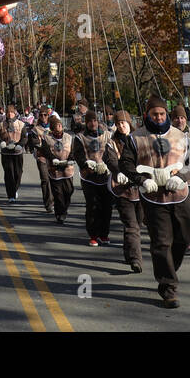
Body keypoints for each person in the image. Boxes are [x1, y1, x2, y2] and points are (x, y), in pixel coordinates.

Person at [119, 99, 190, 309]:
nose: (159, 118)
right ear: (147, 114)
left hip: (180, 193)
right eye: (154, 114)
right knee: (162, 243)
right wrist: (142, 181)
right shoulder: (135, 138)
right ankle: (168, 287)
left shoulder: (181, 135)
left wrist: (182, 177)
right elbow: (125, 163)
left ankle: (170, 268)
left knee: (184, 238)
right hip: (153, 198)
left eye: (162, 114)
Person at [105, 111, 143, 273]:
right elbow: (110, 159)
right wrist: (117, 171)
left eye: (124, 123)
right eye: (118, 123)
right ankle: (136, 259)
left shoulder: (140, 139)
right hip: (122, 189)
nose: (121, 126)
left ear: (129, 122)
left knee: (138, 223)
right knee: (131, 225)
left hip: (141, 188)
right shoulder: (112, 142)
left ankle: (129, 252)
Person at [72, 108, 113, 245]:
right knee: (93, 206)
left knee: (107, 206)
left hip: (106, 175)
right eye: (90, 121)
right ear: (86, 122)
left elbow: (113, 152)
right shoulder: (80, 137)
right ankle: (93, 235)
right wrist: (86, 164)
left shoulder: (107, 135)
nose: (93, 123)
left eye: (95, 120)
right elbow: (78, 154)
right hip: (89, 177)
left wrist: (109, 165)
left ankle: (104, 233)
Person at [171, 106, 190, 254]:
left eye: (182, 117)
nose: (180, 120)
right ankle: (181, 241)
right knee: (177, 211)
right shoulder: (168, 135)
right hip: (174, 178)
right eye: (177, 118)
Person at [41, 116, 75, 225]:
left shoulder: (69, 137)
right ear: (52, 127)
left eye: (60, 124)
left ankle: (64, 208)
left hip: (67, 169)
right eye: (57, 125)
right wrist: (52, 159)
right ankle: (60, 214)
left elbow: (73, 150)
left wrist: (71, 159)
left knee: (69, 191)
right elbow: (45, 151)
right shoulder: (47, 138)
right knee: (58, 193)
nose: (59, 126)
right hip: (54, 169)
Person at [0, 105, 27, 202]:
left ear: (15, 113)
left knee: (18, 173)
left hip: (17, 152)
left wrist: (20, 145)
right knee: (9, 173)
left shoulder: (21, 124)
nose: (10, 114)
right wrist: (0, 142)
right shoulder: (1, 124)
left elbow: (25, 137)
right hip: (6, 153)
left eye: (11, 112)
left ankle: (15, 188)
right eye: (8, 112)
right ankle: (11, 195)